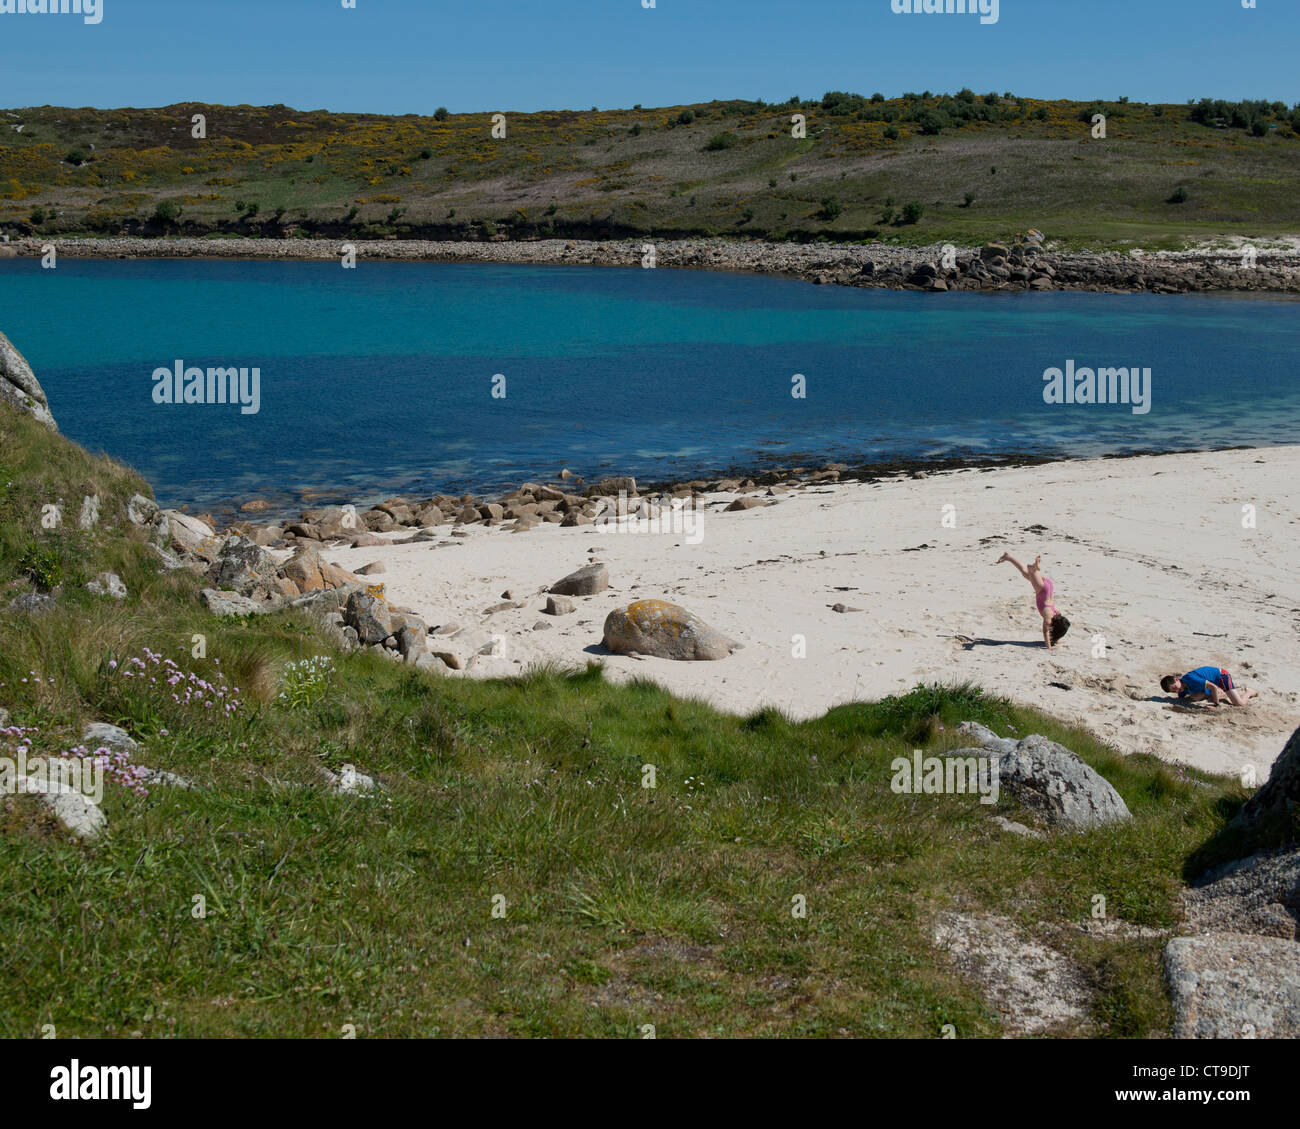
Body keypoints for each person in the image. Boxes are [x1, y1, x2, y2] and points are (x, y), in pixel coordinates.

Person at [996, 552, 1070, 649]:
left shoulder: (1057, 614)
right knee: (1030, 571)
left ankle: (1008, 557)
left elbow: (1056, 628)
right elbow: (1045, 631)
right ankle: (1033, 568)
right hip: (1042, 590)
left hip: (1049, 586)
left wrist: (1056, 640)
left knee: (1024, 572)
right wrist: (1049, 647)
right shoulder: (1048, 617)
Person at [1161, 667, 1257, 708]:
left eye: (1175, 687)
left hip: (1221, 676)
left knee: (1239, 703)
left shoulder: (1191, 679)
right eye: (1173, 691)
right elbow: (1182, 699)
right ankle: (1216, 693)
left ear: (1177, 679)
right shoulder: (1181, 690)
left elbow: (1213, 687)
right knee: (1194, 697)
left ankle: (1249, 692)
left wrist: (1215, 705)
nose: (1177, 690)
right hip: (1211, 684)